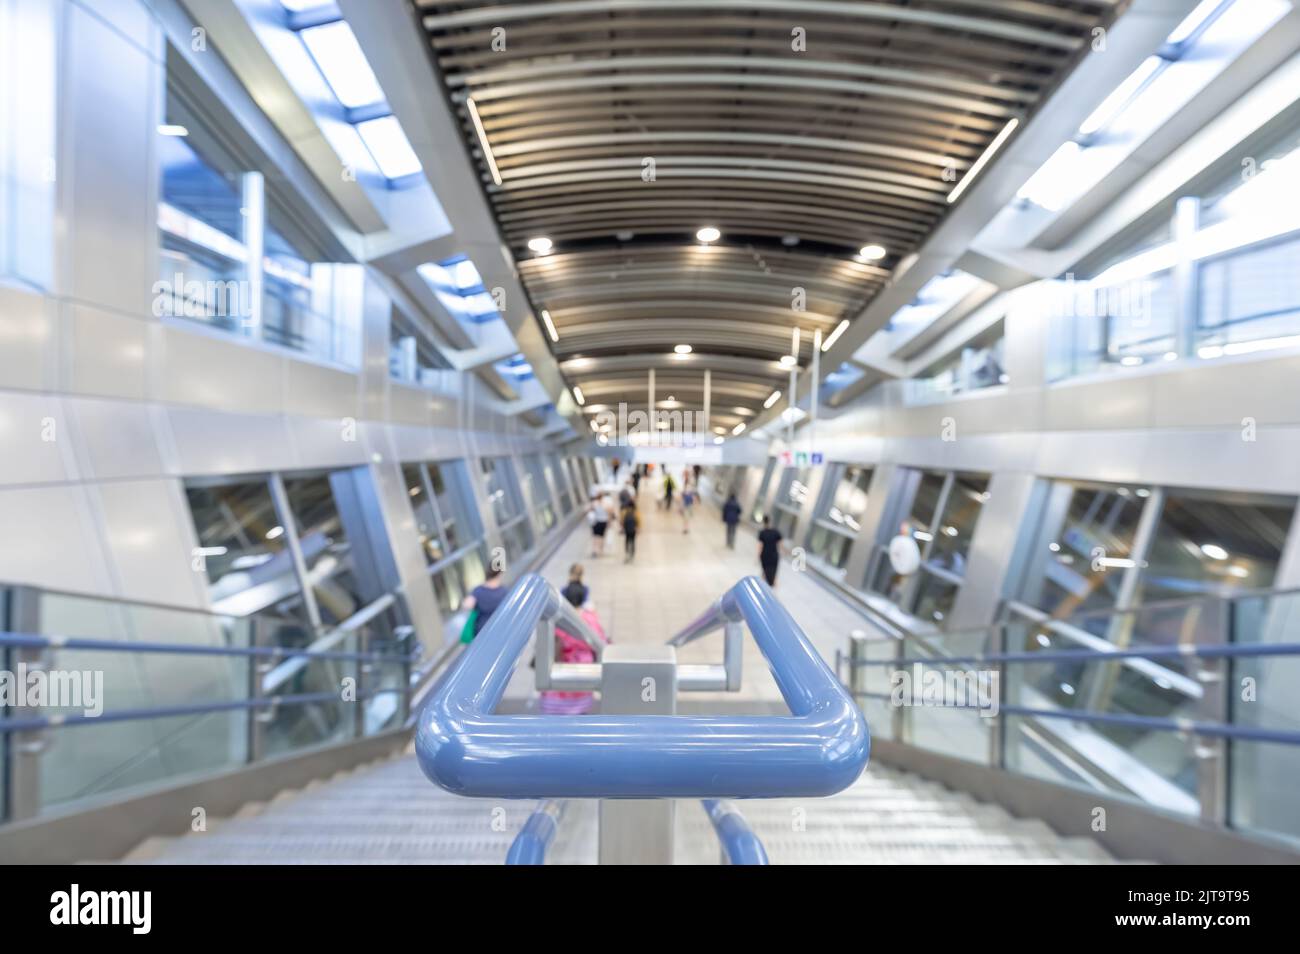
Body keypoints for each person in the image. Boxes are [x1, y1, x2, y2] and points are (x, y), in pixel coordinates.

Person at [541, 566, 608, 715]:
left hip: (558, 676)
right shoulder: (589, 619)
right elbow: (601, 641)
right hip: (582, 672)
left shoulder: (557, 620)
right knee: (580, 714)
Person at [461, 565, 507, 640]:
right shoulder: (503, 591)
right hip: (500, 629)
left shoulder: (479, 590)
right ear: (499, 574)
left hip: (482, 631)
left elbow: (467, 605)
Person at [757, 516, 782, 587]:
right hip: (774, 556)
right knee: (774, 575)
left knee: (764, 572)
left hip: (765, 556)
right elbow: (780, 545)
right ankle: (771, 589)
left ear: (763, 522)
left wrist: (758, 556)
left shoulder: (762, 532)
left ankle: (762, 586)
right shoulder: (776, 532)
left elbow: (760, 546)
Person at [620, 498, 640, 563]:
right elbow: (639, 521)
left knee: (627, 541)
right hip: (633, 529)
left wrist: (622, 528)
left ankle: (627, 553)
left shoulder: (624, 511)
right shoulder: (636, 512)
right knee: (633, 541)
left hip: (627, 529)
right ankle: (632, 554)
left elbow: (622, 521)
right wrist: (638, 528)